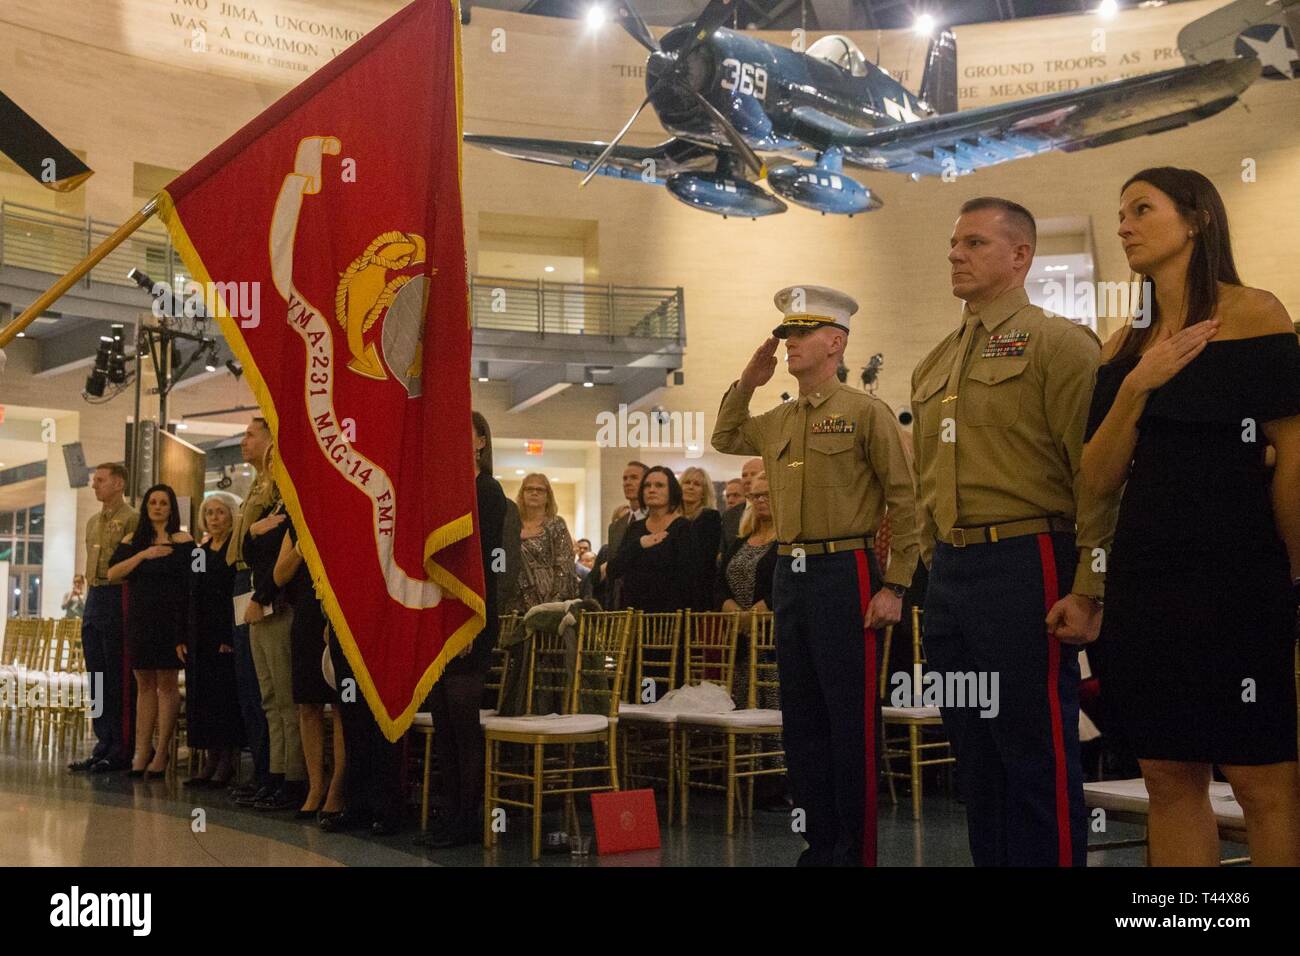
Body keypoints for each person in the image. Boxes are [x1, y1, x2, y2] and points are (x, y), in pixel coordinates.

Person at [1082, 167, 1300, 866]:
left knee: (1262, 779)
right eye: (1120, 212)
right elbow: (1095, 478)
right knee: (1168, 775)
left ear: (1198, 218)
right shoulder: (1124, 347)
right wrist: (1139, 387)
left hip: (1242, 576)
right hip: (1147, 582)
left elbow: (1294, 457)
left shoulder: (1257, 315)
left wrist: (1295, 574)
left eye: (1141, 209)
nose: (1124, 226)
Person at [910, 197, 1119, 867]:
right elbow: (924, 485)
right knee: (974, 756)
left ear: (1020, 255)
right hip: (952, 575)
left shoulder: (1058, 342)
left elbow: (1097, 476)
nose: (955, 254)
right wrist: (925, 567)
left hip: (1028, 562)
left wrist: (1091, 585)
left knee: (1036, 752)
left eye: (973, 243)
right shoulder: (934, 362)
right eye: (954, 243)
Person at [713, 284, 919, 867]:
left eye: (800, 334)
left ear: (836, 341)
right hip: (790, 574)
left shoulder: (865, 412)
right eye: (784, 334)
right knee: (801, 719)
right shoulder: (777, 419)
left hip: (845, 570)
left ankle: (856, 853)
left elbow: (907, 501)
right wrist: (747, 382)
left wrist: (896, 584)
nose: (788, 344)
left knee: (848, 719)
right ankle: (820, 847)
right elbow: (726, 437)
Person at [423, 410, 508, 849]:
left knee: (462, 716)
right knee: (442, 719)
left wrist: (472, 620)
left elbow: (484, 560)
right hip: (442, 612)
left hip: (474, 612)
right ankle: (450, 810)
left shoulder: (487, 491)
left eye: (466, 434)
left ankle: (468, 817)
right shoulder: (446, 492)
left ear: (480, 443)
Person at [107, 483, 193, 778]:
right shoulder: (134, 539)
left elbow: (197, 581)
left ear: (172, 508)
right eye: (153, 502)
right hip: (141, 621)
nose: (157, 507)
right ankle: (142, 751)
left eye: (163, 503)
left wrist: (186, 630)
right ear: (146, 507)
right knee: (144, 686)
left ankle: (162, 751)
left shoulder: (184, 541)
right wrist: (143, 555)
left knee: (167, 685)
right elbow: (112, 572)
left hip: (171, 622)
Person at [68, 463, 139, 774]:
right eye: (94, 481)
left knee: (118, 676)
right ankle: (102, 743)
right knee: (96, 677)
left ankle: (122, 746)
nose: (94, 486)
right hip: (95, 597)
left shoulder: (133, 519)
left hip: (117, 596)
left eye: (100, 480)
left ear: (119, 483)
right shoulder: (93, 521)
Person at [274, 520, 345, 820]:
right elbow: (279, 575)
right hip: (305, 615)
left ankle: (338, 787)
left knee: (341, 704)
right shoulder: (297, 523)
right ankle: (316, 785)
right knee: (307, 703)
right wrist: (302, 547)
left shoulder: (343, 512)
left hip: (340, 613)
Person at [178, 494, 245, 788]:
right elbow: (191, 595)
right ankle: (209, 760)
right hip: (199, 637)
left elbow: (232, 596)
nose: (214, 518)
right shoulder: (199, 552)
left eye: (220, 512)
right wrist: (183, 636)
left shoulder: (236, 550)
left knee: (224, 700)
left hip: (224, 635)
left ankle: (227, 762)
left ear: (231, 515)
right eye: (209, 513)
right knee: (202, 698)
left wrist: (228, 636)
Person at [225, 419, 273, 802]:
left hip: (258, 579)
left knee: (261, 684)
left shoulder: (275, 483)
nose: (243, 442)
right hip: (241, 580)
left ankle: (271, 772)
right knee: (246, 682)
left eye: (250, 435)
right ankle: (259, 769)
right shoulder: (256, 483)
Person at [718, 472, 779, 714]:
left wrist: (764, 608)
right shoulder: (740, 541)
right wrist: (732, 609)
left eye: (768, 495)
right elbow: (719, 583)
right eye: (756, 495)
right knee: (743, 707)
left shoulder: (791, 542)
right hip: (741, 638)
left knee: (774, 710)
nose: (761, 500)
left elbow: (794, 579)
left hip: (774, 640)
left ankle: (775, 753)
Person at [606, 466, 693, 613]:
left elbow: (689, 581)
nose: (651, 490)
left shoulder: (685, 528)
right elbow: (614, 569)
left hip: (670, 619)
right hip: (634, 616)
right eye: (647, 485)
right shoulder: (634, 528)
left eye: (659, 485)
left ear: (671, 491)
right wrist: (639, 544)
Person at [512, 473, 578, 615]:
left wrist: (555, 603)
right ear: (522, 494)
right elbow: (498, 556)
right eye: (529, 489)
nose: (534, 492)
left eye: (540, 489)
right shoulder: (510, 524)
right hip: (514, 598)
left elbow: (564, 565)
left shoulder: (556, 524)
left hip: (547, 598)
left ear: (548, 496)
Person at [679, 465, 722, 610]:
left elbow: (705, 561)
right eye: (687, 482)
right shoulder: (671, 518)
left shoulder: (710, 518)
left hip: (699, 593)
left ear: (704, 492)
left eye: (697, 484)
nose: (690, 487)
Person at [719, 458, 763, 555]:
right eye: (744, 475)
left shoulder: (776, 512)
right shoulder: (729, 516)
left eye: (753, 474)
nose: (747, 479)